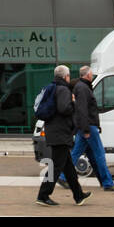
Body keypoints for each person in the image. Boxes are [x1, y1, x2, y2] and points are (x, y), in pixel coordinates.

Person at [35, 65, 90, 207]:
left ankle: (78, 195)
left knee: (69, 168)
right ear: (66, 76)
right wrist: (73, 103)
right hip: (60, 133)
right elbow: (64, 108)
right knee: (56, 167)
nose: (69, 78)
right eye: (68, 76)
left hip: (55, 132)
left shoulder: (52, 87)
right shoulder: (63, 89)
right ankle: (43, 195)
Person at [70, 64, 114, 193]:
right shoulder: (83, 88)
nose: (92, 75)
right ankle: (108, 183)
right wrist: (86, 129)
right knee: (99, 155)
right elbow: (82, 110)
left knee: (77, 153)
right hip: (88, 127)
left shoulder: (82, 87)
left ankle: (64, 176)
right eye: (91, 74)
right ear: (87, 75)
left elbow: (82, 110)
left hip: (86, 126)